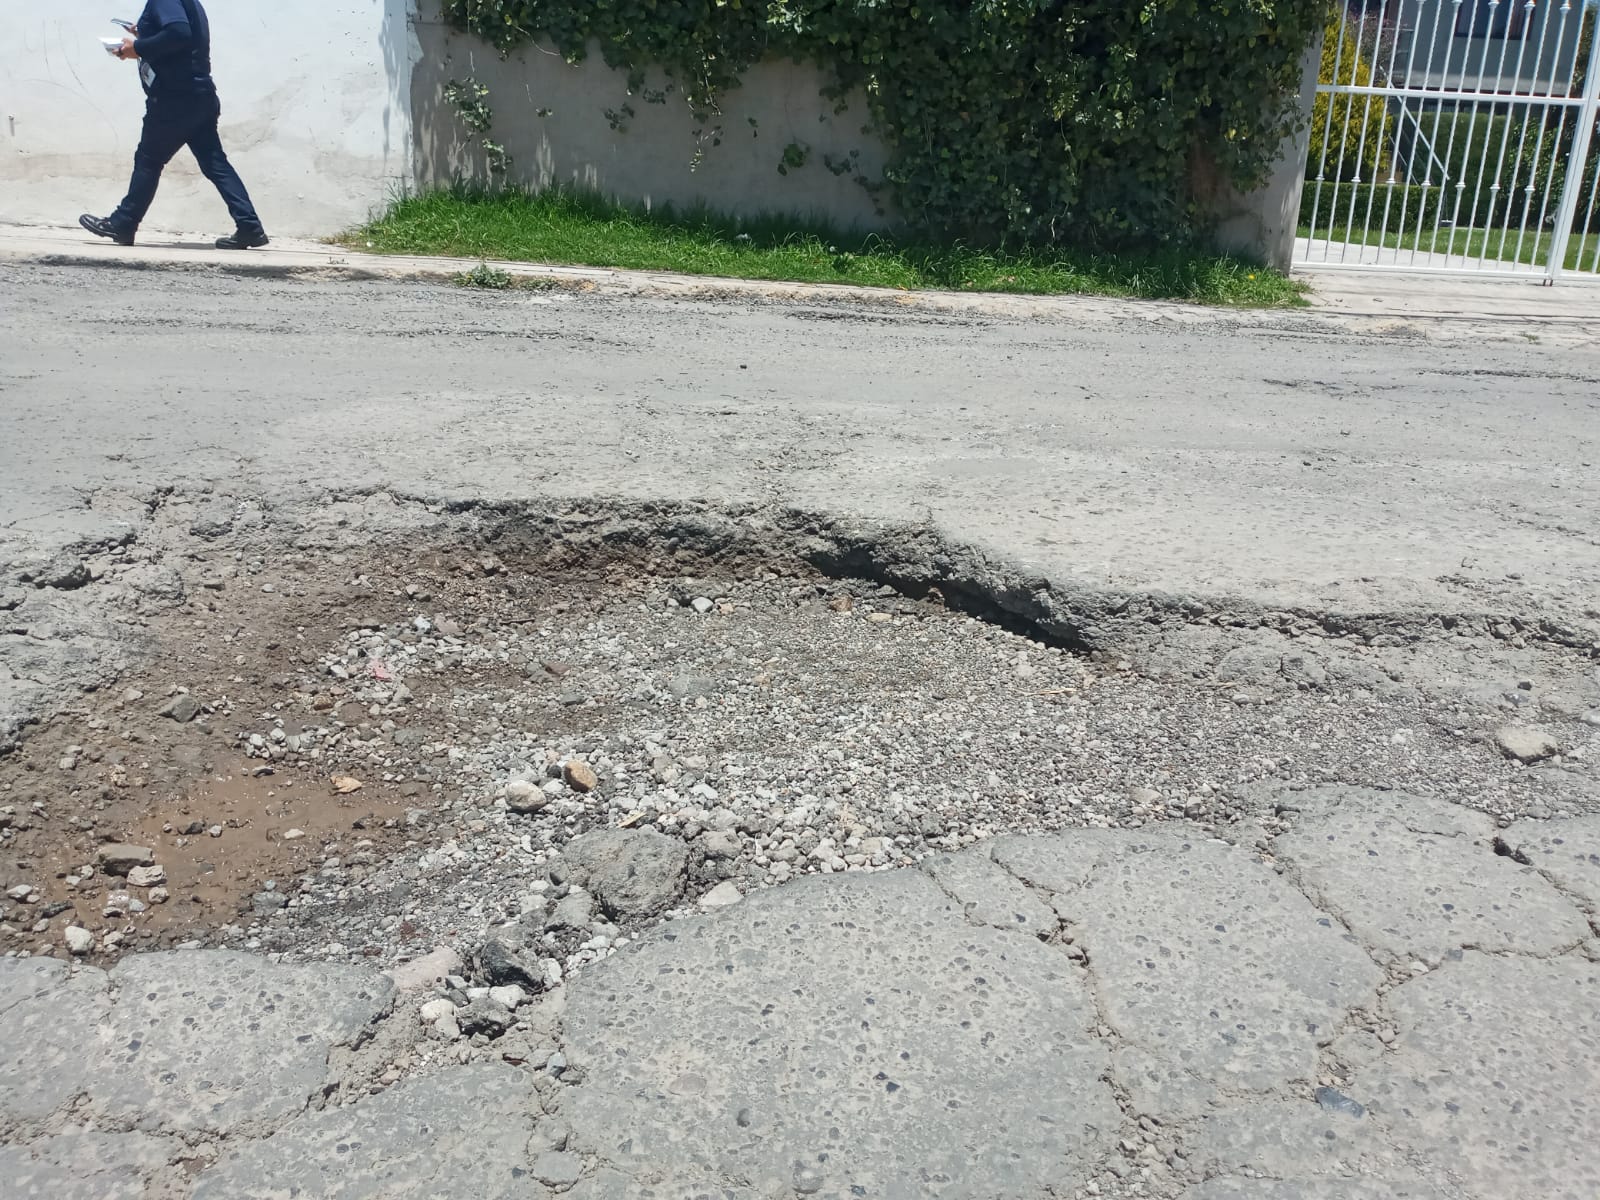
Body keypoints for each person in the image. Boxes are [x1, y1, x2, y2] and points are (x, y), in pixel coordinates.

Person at [79, 0, 268, 250]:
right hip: (199, 95)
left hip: (174, 98)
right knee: (215, 163)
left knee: (149, 159)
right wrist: (144, 35)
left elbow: (179, 33)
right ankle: (249, 227)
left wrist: (138, 47)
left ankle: (123, 222)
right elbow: (180, 35)